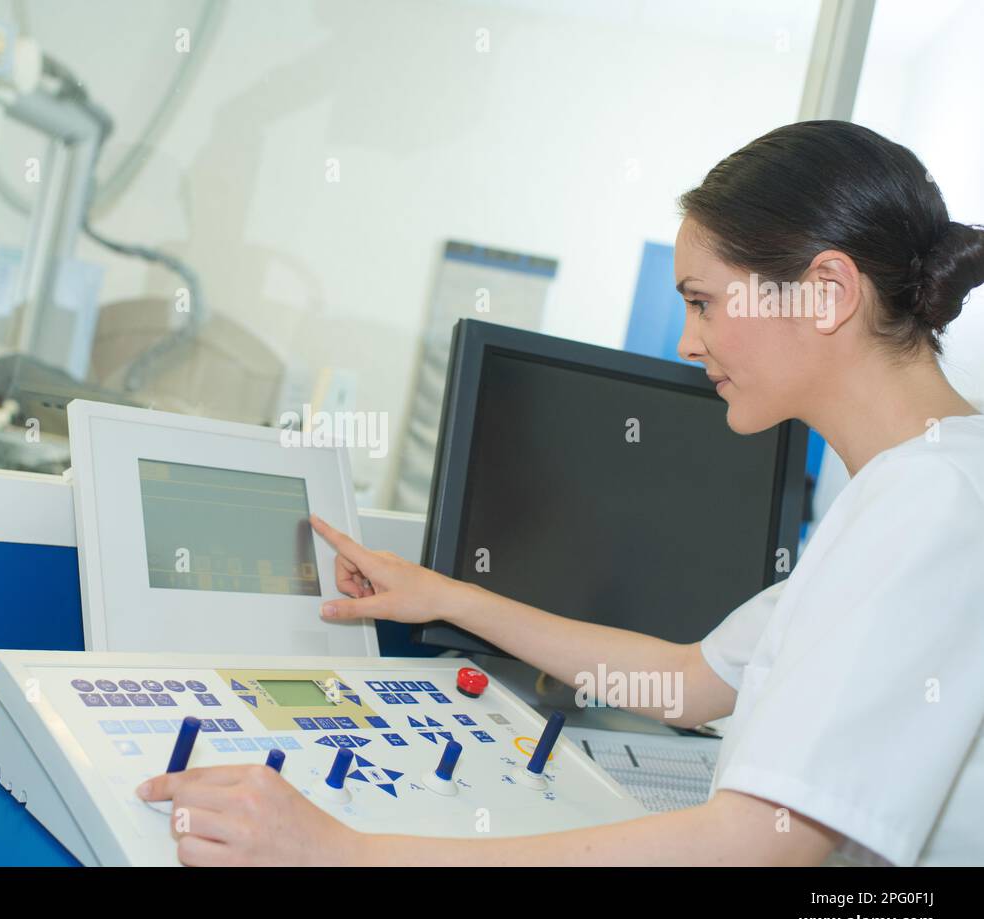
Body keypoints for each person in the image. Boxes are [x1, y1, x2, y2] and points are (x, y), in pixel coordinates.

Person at [139, 121, 984, 866]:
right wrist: (451, 597)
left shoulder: (930, 506)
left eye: (705, 303)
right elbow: (686, 682)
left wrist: (346, 854)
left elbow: (753, 845)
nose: (690, 343)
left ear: (827, 292)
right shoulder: (926, 485)